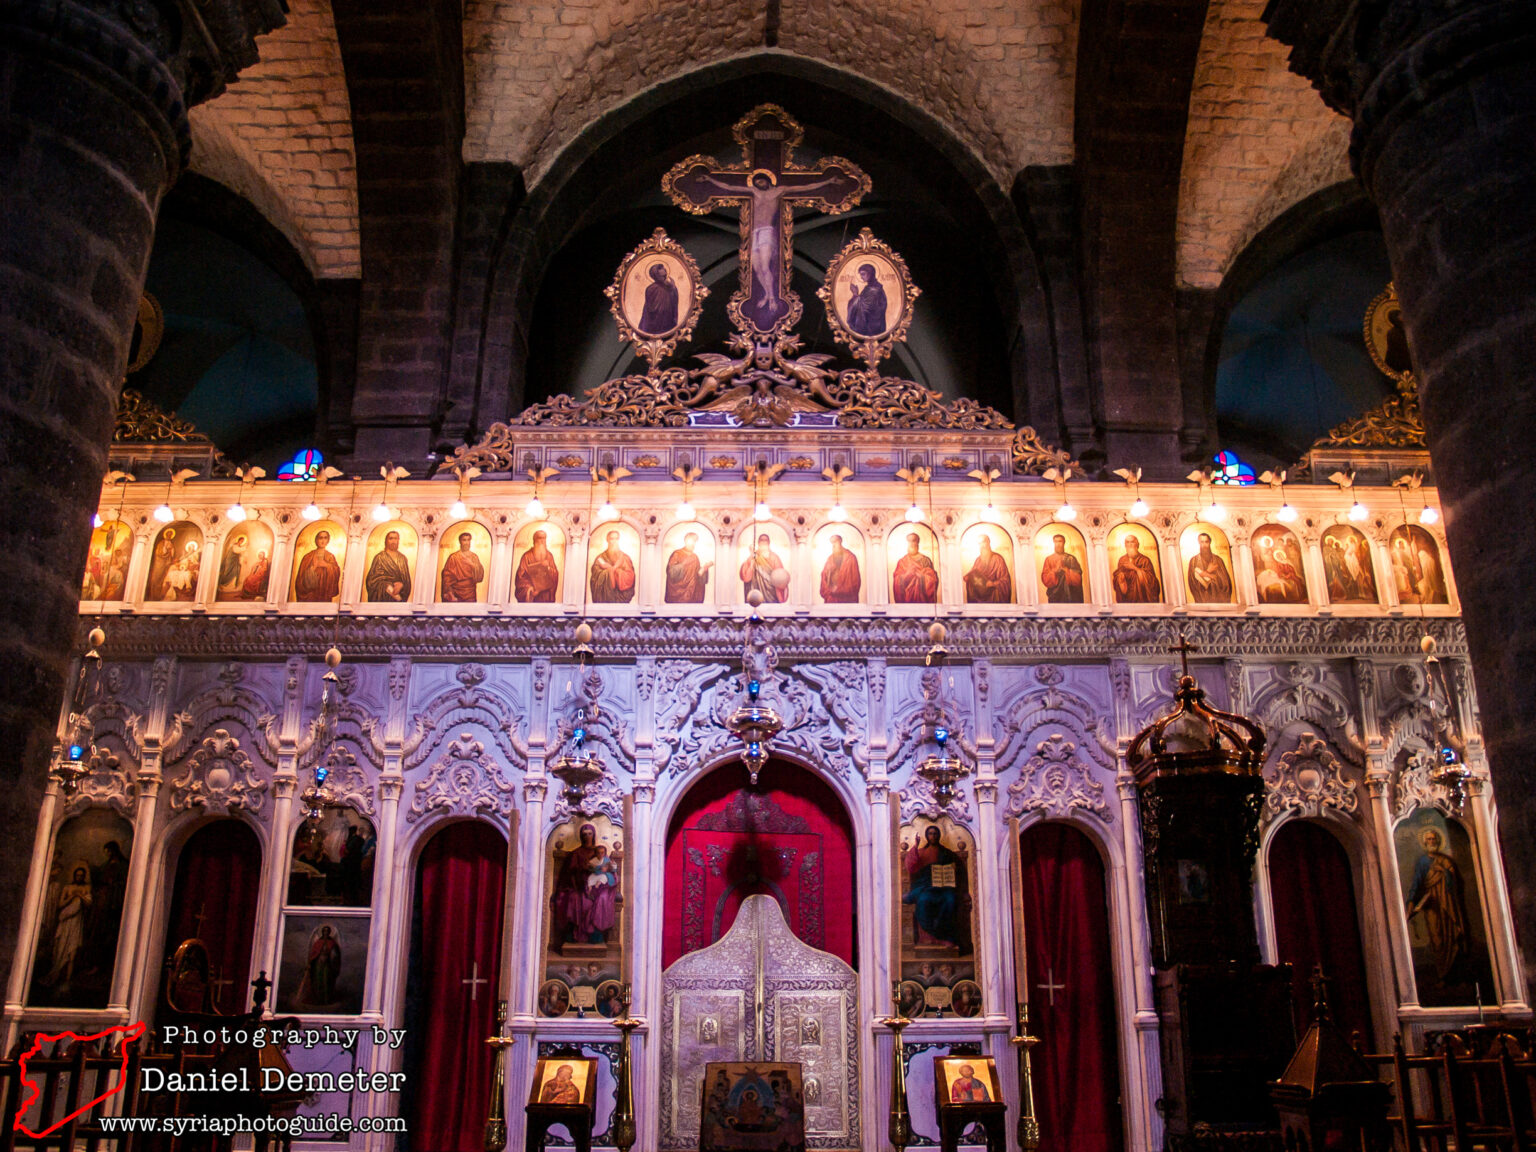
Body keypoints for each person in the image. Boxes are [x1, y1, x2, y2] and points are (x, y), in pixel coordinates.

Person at [1406, 827, 1472, 984]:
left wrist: (1443, 871)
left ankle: (1455, 975)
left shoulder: (1446, 862)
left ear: (1438, 840)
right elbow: (1416, 884)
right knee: (1437, 938)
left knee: (1452, 937)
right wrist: (1410, 902)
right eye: (1428, 839)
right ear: (1424, 842)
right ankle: (1442, 973)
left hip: (1448, 905)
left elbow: (1454, 885)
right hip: (1433, 906)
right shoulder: (1422, 862)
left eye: (1434, 839)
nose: (1431, 842)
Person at [903, 825, 967, 947]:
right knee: (924, 900)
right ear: (927, 836)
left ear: (939, 835)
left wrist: (952, 869)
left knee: (951, 900)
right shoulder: (921, 852)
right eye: (930, 834)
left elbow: (959, 870)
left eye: (935, 833)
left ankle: (945, 936)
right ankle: (931, 935)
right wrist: (916, 846)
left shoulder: (947, 853)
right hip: (927, 887)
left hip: (945, 888)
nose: (933, 836)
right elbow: (911, 867)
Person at [45, 865, 92, 987]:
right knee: (60, 950)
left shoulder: (87, 888)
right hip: (65, 922)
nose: (79, 877)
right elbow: (60, 905)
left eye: (82, 876)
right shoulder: (67, 888)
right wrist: (72, 896)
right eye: (77, 875)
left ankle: (67, 981)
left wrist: (80, 895)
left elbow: (88, 904)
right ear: (74, 876)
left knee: (72, 952)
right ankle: (56, 975)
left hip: (77, 922)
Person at [739, 533, 789, 603]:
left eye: (765, 540)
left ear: (768, 542)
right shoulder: (753, 556)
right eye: (761, 540)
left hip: (771, 593)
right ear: (758, 542)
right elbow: (745, 576)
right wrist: (751, 557)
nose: (763, 542)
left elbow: (780, 576)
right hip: (755, 590)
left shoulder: (774, 557)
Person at [589, 530, 637, 603]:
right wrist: (608, 572)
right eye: (612, 539)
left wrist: (614, 570)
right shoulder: (600, 558)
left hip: (621, 597)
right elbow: (595, 578)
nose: (614, 541)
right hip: (604, 598)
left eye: (616, 539)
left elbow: (630, 577)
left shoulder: (624, 558)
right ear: (607, 540)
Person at [298, 925, 341, 1005]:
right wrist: (310, 963)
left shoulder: (332, 943)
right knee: (318, 980)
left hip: (328, 965)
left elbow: (335, 956)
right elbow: (313, 954)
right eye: (324, 931)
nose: (325, 933)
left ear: (329, 933)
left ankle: (326, 999)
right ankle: (316, 999)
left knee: (326, 980)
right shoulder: (318, 943)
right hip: (318, 965)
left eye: (327, 931)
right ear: (322, 932)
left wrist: (331, 958)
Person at [664, 532, 712, 603]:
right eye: (692, 541)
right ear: (686, 541)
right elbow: (671, 573)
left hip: (692, 592)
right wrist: (684, 564)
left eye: (695, 542)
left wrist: (704, 569)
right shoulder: (677, 554)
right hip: (677, 594)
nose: (693, 544)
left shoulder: (694, 557)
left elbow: (698, 576)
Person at [295, 530, 342, 602]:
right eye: (320, 538)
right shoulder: (308, 557)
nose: (323, 541)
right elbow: (300, 578)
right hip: (310, 593)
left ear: (328, 541)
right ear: (316, 540)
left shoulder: (330, 556)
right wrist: (312, 569)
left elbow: (336, 572)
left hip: (324, 593)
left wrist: (327, 565)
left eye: (325, 538)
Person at [1112, 534, 1162, 603]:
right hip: (1126, 598)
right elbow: (1117, 580)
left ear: (1137, 545)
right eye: (1127, 542)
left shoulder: (1145, 560)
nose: (1130, 544)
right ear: (1125, 545)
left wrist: (1135, 568)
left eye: (1132, 542)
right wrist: (1120, 579)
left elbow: (1152, 582)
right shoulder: (1122, 560)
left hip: (1142, 598)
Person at [892, 532, 939, 604]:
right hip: (906, 602)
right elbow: (897, 580)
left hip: (923, 602)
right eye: (909, 541)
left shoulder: (925, 560)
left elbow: (933, 579)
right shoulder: (902, 561)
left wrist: (922, 577)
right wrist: (906, 576)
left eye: (913, 541)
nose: (911, 544)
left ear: (917, 543)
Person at [365, 530, 412, 602]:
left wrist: (402, 585)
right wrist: (387, 586)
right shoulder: (380, 557)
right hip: (382, 598)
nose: (393, 541)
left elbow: (406, 580)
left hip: (398, 599)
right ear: (386, 541)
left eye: (396, 538)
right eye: (391, 538)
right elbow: (371, 581)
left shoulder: (402, 558)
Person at [1186, 532, 1233, 603]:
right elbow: (1193, 583)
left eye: (1206, 542)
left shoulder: (1218, 560)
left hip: (1219, 601)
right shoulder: (1194, 561)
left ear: (1210, 542)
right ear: (1199, 543)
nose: (1204, 545)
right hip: (1203, 600)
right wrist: (1208, 572)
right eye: (1202, 542)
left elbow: (1225, 582)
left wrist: (1206, 575)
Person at [963, 535, 1012, 603]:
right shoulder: (978, 560)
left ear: (988, 542)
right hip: (979, 595)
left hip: (994, 597)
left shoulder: (998, 559)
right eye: (979, 543)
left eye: (983, 542)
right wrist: (968, 577)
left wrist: (993, 583)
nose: (982, 546)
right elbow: (973, 573)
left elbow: (1005, 580)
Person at [515, 530, 560, 602]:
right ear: (534, 540)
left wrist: (548, 568)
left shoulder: (549, 556)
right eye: (539, 538)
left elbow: (555, 574)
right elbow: (520, 577)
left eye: (544, 538)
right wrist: (530, 589)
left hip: (546, 596)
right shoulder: (526, 556)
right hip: (532, 595)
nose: (542, 541)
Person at [845, 262, 888, 337]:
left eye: (863, 274)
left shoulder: (874, 290)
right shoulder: (870, 288)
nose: (861, 277)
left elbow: (864, 308)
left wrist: (855, 294)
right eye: (860, 275)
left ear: (871, 274)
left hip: (871, 329)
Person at [439, 531, 485, 602]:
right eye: (464, 540)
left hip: (470, 592)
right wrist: (449, 592)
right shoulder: (454, 557)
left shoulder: (474, 557)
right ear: (460, 542)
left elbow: (479, 577)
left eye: (468, 540)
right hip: (456, 592)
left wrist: (472, 565)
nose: (466, 542)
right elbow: (447, 575)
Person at [1040, 533, 1084, 603]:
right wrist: (1055, 571)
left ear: (1064, 543)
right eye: (1056, 542)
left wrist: (1066, 570)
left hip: (1071, 595)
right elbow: (1045, 579)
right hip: (1055, 595)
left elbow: (1078, 579)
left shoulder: (1071, 558)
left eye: (1060, 541)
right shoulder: (1049, 559)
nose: (1058, 544)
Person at [637, 261, 679, 334]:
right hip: (654, 321)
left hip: (668, 319)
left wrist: (673, 288)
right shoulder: (651, 289)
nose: (665, 270)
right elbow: (650, 308)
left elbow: (674, 303)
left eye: (665, 275)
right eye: (661, 269)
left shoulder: (670, 286)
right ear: (656, 275)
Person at [819, 534, 861, 603]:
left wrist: (839, 590)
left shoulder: (850, 558)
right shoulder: (830, 559)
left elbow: (855, 583)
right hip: (832, 600)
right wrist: (830, 590)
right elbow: (824, 578)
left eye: (835, 542)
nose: (834, 545)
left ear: (840, 542)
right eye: (832, 543)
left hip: (847, 601)